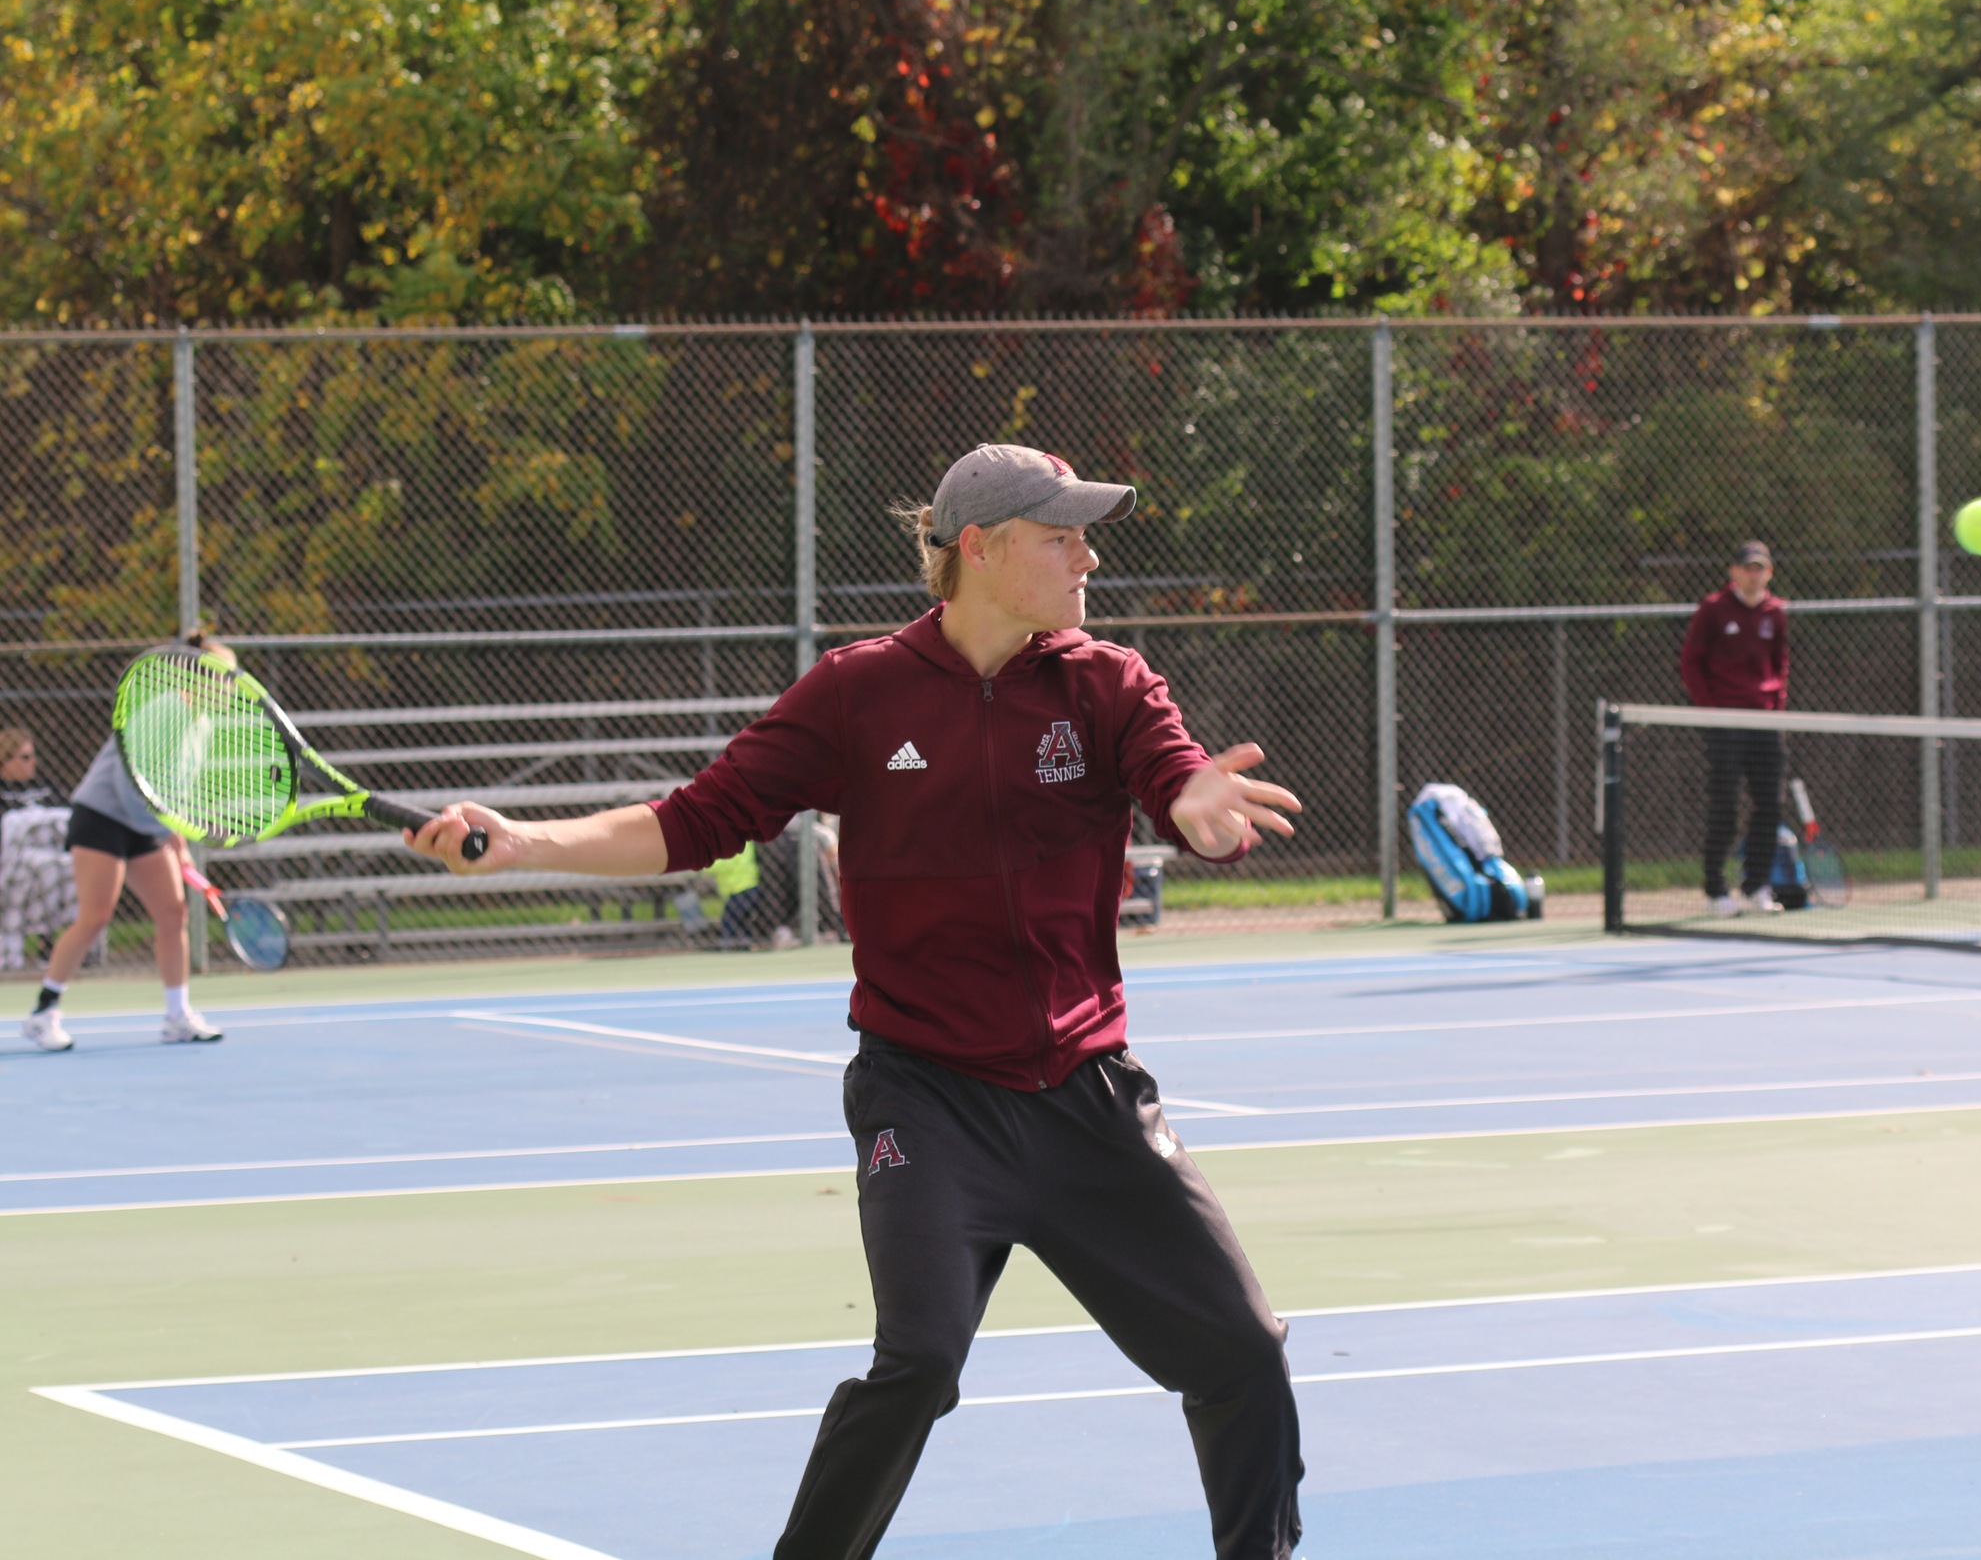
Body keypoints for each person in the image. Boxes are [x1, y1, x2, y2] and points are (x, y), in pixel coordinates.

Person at [407, 443, 1309, 1560]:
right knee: (919, 1362)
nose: (1087, 557)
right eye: (1061, 535)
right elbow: (698, 818)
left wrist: (1198, 806)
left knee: (1243, 1353)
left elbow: (1176, 778)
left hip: (1086, 1096)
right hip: (927, 1100)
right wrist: (525, 844)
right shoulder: (857, 691)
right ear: (979, 548)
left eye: (1086, 535)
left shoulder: (1108, 683)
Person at [19, 637, 229, 1051]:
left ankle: (177, 1017)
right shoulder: (165, 710)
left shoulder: (202, 724)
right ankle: (43, 1013)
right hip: (102, 816)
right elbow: (130, 784)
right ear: (198, 679)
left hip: (144, 823)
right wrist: (177, 828)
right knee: (95, 917)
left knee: (173, 914)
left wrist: (180, 845)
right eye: (224, 678)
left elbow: (174, 791)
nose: (231, 687)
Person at [1678, 539, 1791, 916]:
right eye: (1747, 568)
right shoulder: (1713, 609)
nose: (1753, 575)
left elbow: (1780, 663)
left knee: (1769, 806)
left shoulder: (1775, 612)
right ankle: (1715, 891)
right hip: (1724, 724)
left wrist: (1775, 707)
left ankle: (1756, 887)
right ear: (1734, 572)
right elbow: (1691, 663)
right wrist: (1712, 712)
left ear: (1768, 573)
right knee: (1724, 805)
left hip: (1765, 723)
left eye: (1760, 568)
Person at [0, 728, 56, 810]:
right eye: (26, 757)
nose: (34, 762)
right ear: (5, 760)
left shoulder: (45, 784)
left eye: (33, 756)